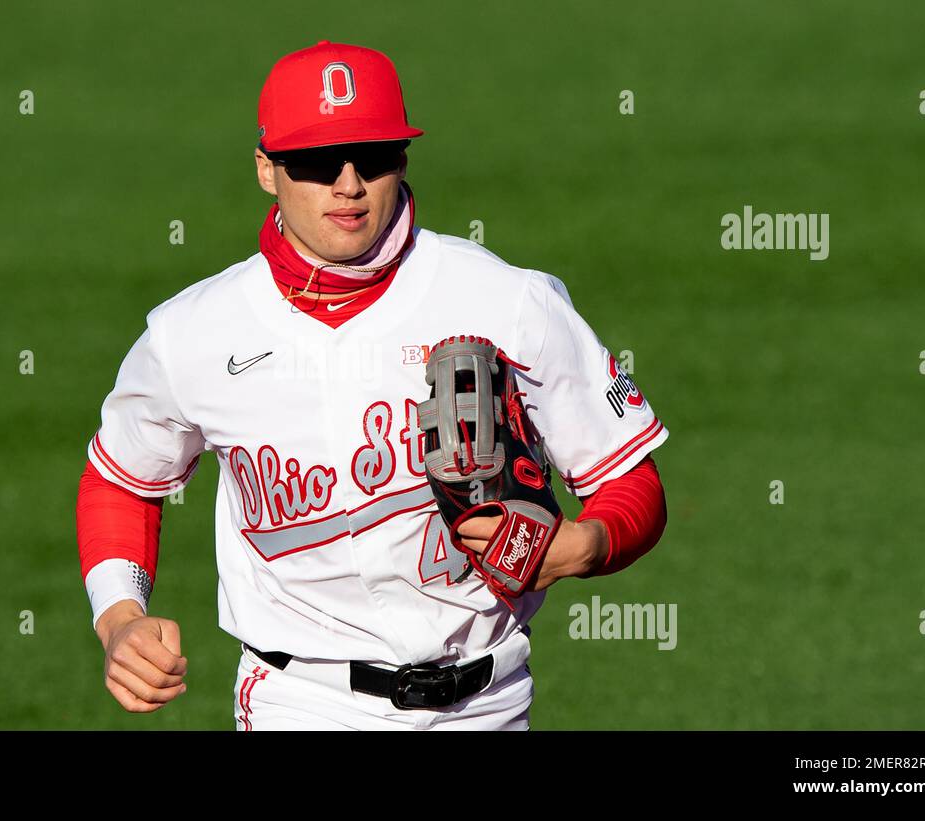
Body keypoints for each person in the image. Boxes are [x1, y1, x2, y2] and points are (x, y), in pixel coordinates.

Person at [76, 40, 669, 730]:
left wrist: (589, 544)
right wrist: (120, 617)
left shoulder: (506, 301)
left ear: (404, 160)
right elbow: (123, 478)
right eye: (319, 162)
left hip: (489, 702)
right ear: (268, 170)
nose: (349, 185)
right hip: (300, 702)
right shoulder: (193, 334)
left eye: (373, 156)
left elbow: (630, 479)